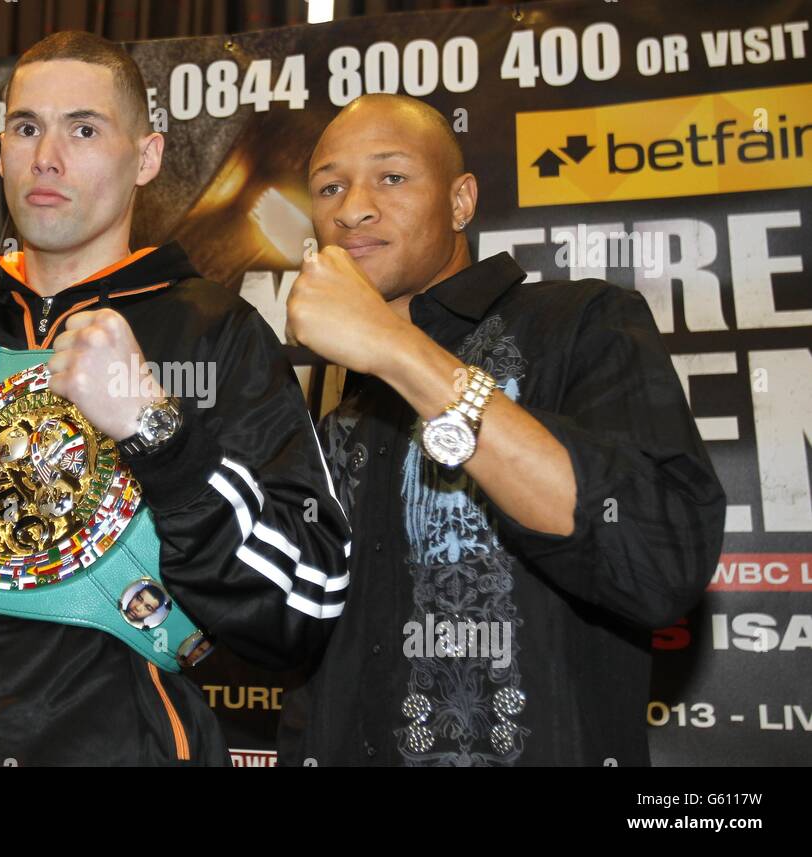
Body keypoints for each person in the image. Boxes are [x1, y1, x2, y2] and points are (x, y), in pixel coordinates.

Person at [0, 31, 350, 765]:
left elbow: (305, 605)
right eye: (26, 128)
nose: (46, 156)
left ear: (146, 157)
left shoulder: (213, 332)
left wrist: (158, 434)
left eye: (83, 129)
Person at [279, 93, 726, 766]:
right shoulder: (334, 392)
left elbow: (656, 560)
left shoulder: (580, 321)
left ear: (461, 202)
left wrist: (399, 351)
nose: (352, 207)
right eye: (330, 186)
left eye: (391, 176)